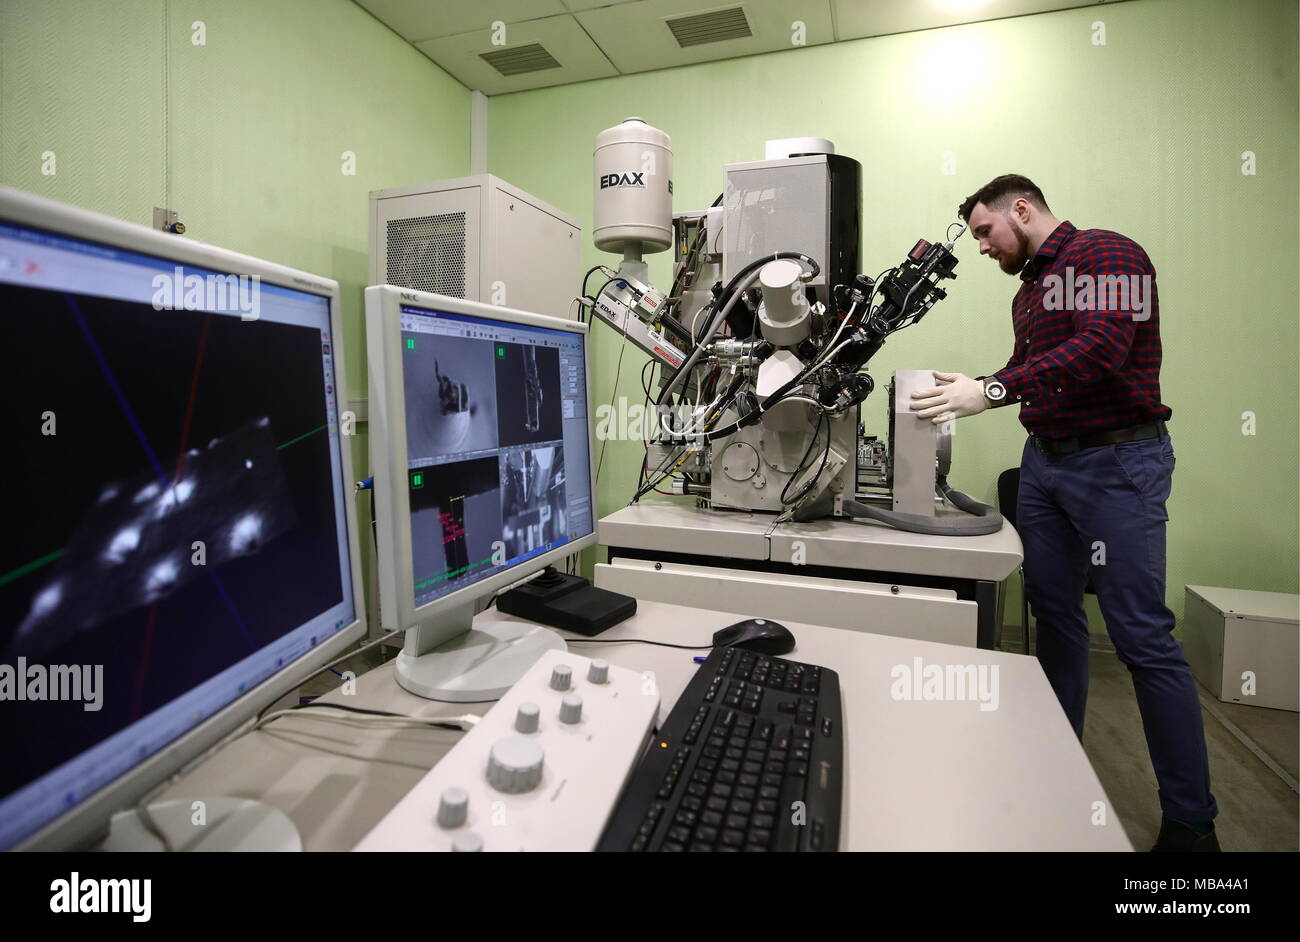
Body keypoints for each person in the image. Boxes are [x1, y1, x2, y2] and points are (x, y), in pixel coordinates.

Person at [909, 174, 1219, 852]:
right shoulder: (1028, 293)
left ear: (1022, 209)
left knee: (1141, 636)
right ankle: (1057, 764)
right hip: (1046, 464)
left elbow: (1102, 349)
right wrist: (961, 390)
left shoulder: (1108, 255)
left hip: (1115, 465)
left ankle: (1192, 822)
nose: (983, 247)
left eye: (987, 231)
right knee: (1054, 617)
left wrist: (989, 390)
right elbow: (1032, 367)